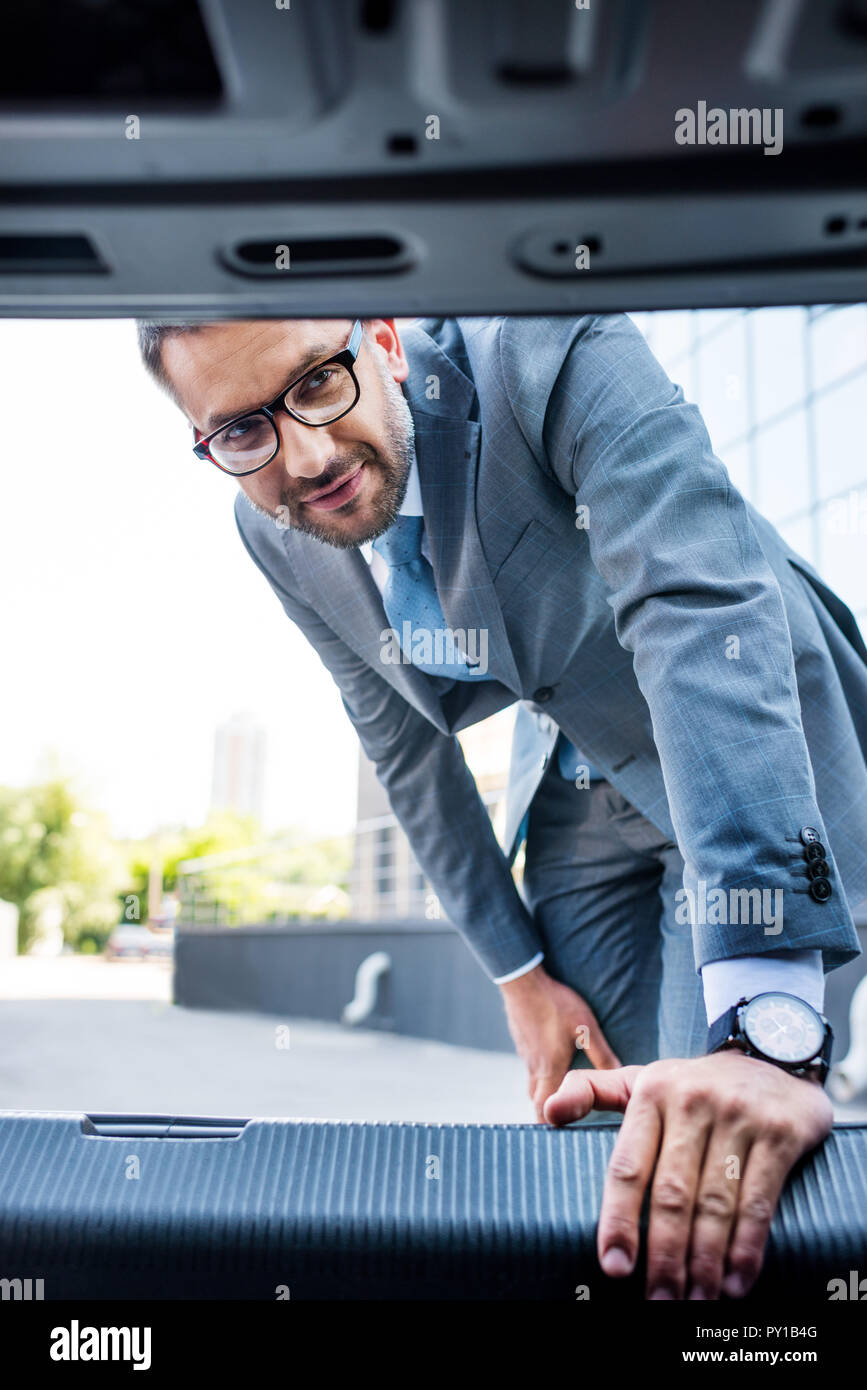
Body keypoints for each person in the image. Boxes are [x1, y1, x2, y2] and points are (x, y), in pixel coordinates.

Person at [137, 312, 867, 1301]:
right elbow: (399, 740)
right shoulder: (273, 530)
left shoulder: (549, 348)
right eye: (240, 431)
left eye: (317, 382)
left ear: (385, 337)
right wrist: (518, 972)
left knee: (721, 1145)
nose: (304, 458)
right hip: (572, 774)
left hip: (734, 747)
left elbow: (696, 606)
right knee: (601, 1130)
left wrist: (766, 1023)